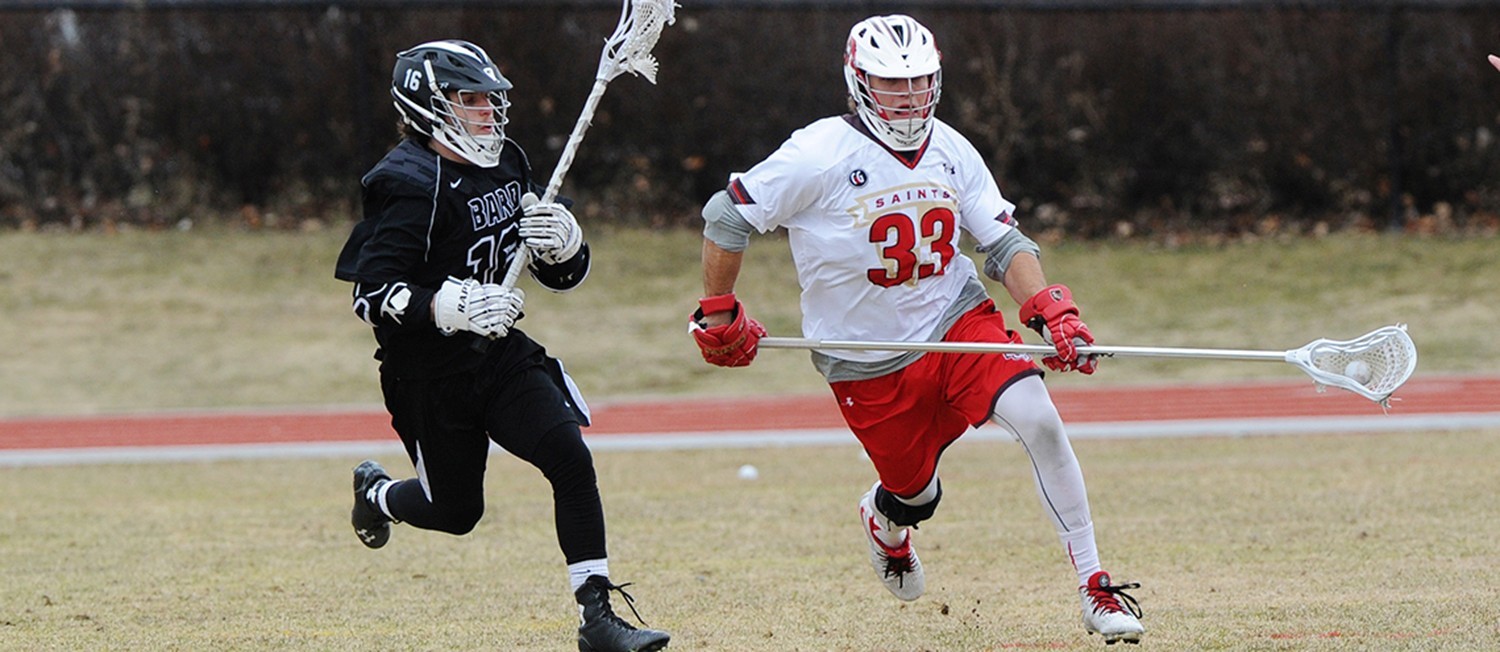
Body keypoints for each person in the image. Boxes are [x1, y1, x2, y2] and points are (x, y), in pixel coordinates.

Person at [688, 15, 1144, 645]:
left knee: (1038, 418)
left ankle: (1096, 587)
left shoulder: (954, 150)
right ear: (858, 82)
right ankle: (887, 522)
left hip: (954, 320)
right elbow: (726, 215)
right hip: (866, 359)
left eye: (919, 82)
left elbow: (1002, 240)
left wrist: (1050, 308)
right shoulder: (819, 152)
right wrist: (717, 310)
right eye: (891, 84)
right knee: (914, 493)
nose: (908, 98)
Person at [334, 39, 670, 652]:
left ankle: (598, 619)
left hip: (500, 356)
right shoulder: (406, 184)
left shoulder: (506, 162)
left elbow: (560, 275)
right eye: (471, 99)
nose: (488, 111)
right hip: (429, 376)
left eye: (491, 99)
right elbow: (371, 295)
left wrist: (563, 245)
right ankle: (378, 495)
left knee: (569, 457)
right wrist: (449, 305)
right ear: (429, 106)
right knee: (457, 512)